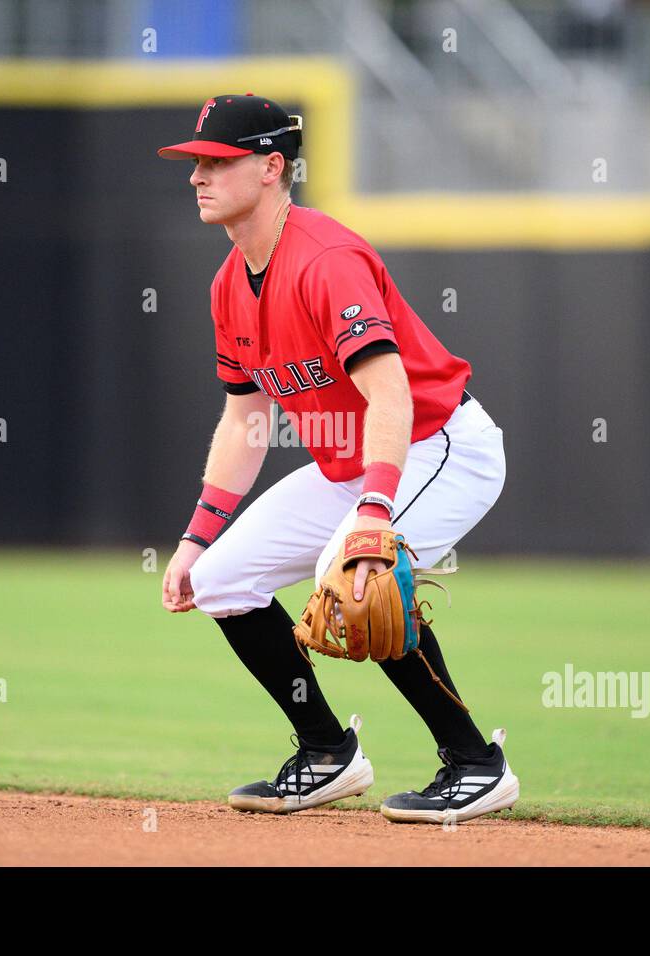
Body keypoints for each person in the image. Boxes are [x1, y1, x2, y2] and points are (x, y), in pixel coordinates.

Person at [156, 94, 516, 824]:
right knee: (222, 580)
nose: (198, 176)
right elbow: (245, 417)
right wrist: (197, 537)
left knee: (356, 576)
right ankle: (326, 754)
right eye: (195, 163)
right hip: (348, 464)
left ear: (271, 167)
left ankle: (476, 763)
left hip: (440, 444)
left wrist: (374, 517)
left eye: (217, 162)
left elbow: (391, 396)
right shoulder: (230, 284)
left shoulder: (326, 261)